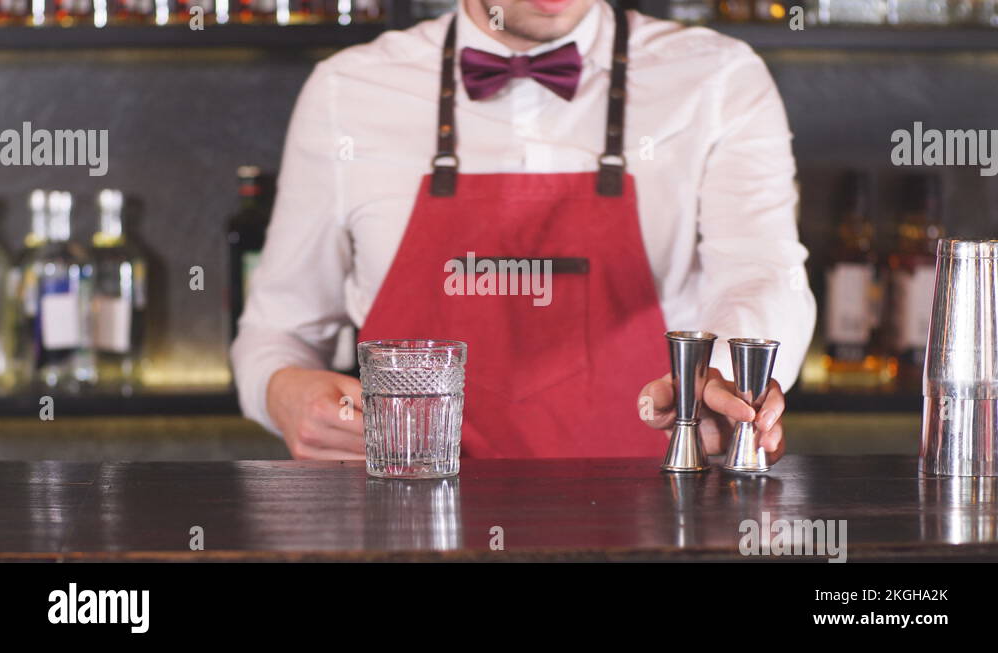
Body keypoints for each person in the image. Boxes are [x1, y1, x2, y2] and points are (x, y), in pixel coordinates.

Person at [231, 0, 816, 461]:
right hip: (406, 523)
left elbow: (762, 272)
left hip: (655, 515)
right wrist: (287, 395)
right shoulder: (347, 92)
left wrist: (727, 382)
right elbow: (274, 332)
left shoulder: (718, 80)